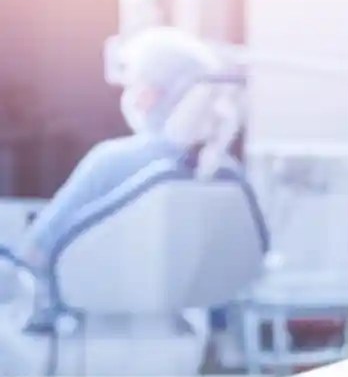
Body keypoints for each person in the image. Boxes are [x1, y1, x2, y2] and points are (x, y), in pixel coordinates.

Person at [14, 26, 221, 276]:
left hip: (91, 309)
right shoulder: (221, 173)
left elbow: (34, 253)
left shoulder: (112, 161)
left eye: (131, 84)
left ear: (146, 96)